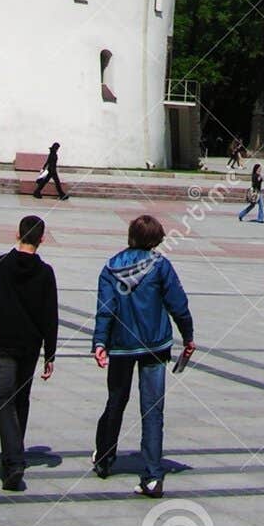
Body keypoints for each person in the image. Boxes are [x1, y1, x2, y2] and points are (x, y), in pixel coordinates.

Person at [92, 213, 195, 497]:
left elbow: (106, 308)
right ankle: (152, 475)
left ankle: (104, 457)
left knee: (116, 400)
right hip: (154, 345)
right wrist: (188, 335)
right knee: (152, 410)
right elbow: (178, 303)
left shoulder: (110, 268)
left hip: (121, 345)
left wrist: (100, 341)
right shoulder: (160, 266)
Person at [0, 213, 58, 492]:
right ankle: (14, 456)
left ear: (16, 234)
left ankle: (13, 460)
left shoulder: (0, 264)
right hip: (30, 346)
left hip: (4, 344)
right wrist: (50, 354)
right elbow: (50, 317)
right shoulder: (45, 273)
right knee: (20, 399)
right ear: (42, 239)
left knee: (3, 400)